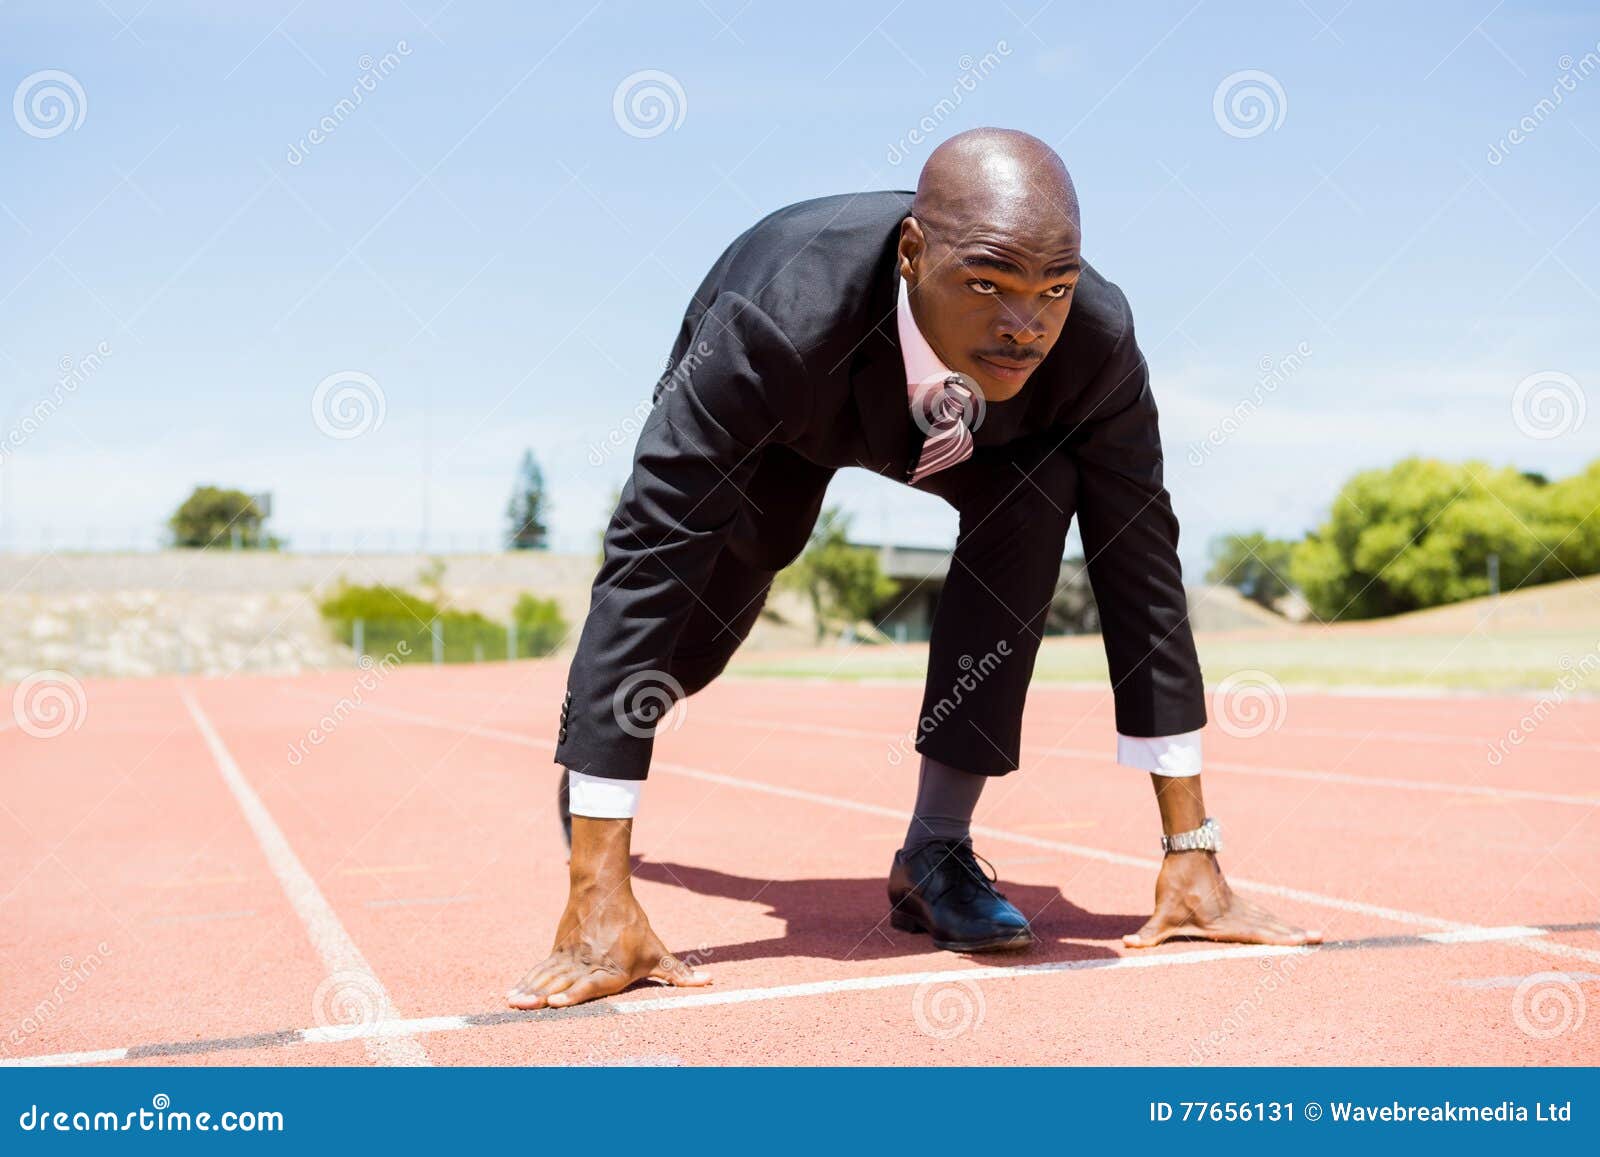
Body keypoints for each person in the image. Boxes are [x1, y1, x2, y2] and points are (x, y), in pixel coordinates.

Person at [509, 127, 1320, 1011]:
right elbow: (650, 555)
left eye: (1053, 289)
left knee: (1041, 491)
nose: (1025, 325)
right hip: (796, 410)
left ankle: (936, 850)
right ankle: (598, 789)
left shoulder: (1094, 342)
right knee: (706, 615)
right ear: (912, 254)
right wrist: (597, 884)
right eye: (988, 284)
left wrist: (1191, 848)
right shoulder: (768, 316)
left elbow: (1143, 568)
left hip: (986, 439)